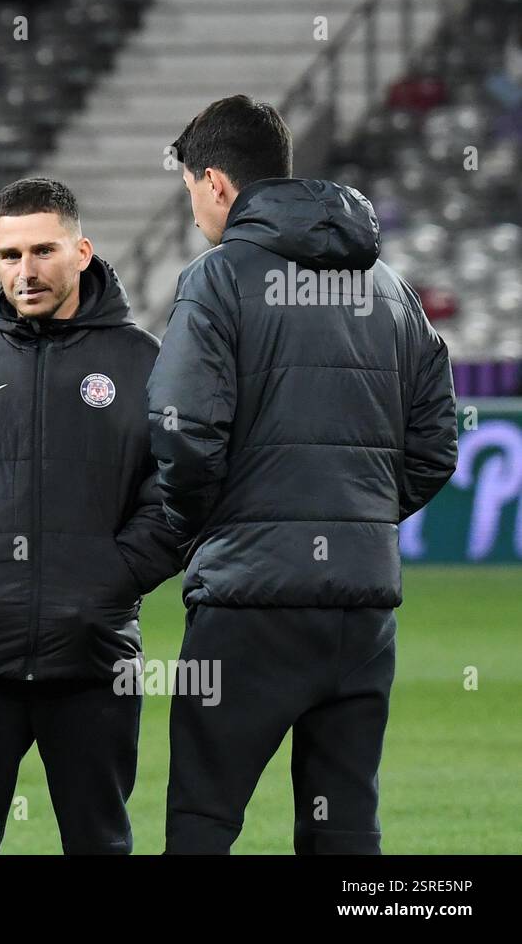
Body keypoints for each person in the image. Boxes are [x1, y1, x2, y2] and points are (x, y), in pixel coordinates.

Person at [146, 95, 459, 854]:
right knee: (346, 829)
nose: (192, 211)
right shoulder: (390, 290)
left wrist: (197, 530)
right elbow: (436, 445)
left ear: (216, 183)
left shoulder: (217, 279)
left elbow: (183, 431)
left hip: (248, 602)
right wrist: (357, 517)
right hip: (364, 607)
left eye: (190, 190)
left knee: (202, 819)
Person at [0, 177, 183, 854]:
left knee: (99, 843)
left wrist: (116, 574)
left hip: (92, 659)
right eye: (9, 255)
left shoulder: (145, 364)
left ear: (82, 250)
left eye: (42, 251)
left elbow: (177, 490)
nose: (25, 271)